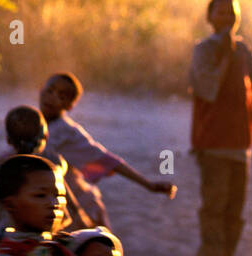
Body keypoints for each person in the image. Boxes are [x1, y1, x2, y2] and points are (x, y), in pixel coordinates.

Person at [38, 71, 177, 228]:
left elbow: (107, 160)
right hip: (46, 204)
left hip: (78, 208)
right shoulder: (31, 123)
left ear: (69, 106)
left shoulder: (66, 132)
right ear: (41, 89)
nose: (52, 97)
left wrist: (148, 184)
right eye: (50, 91)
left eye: (62, 96)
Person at [189, 0, 252, 256]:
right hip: (212, 139)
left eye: (232, 12)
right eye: (221, 12)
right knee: (214, 201)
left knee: (235, 202)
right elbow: (206, 87)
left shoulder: (243, 49)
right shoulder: (204, 50)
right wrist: (224, 55)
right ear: (210, 17)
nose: (227, 17)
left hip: (240, 139)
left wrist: (238, 55)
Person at [0, 106, 92, 240]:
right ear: (46, 136)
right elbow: (68, 200)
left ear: (8, 140)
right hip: (42, 243)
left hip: (8, 242)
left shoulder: (6, 169)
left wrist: (3, 237)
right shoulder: (51, 165)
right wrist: (82, 218)